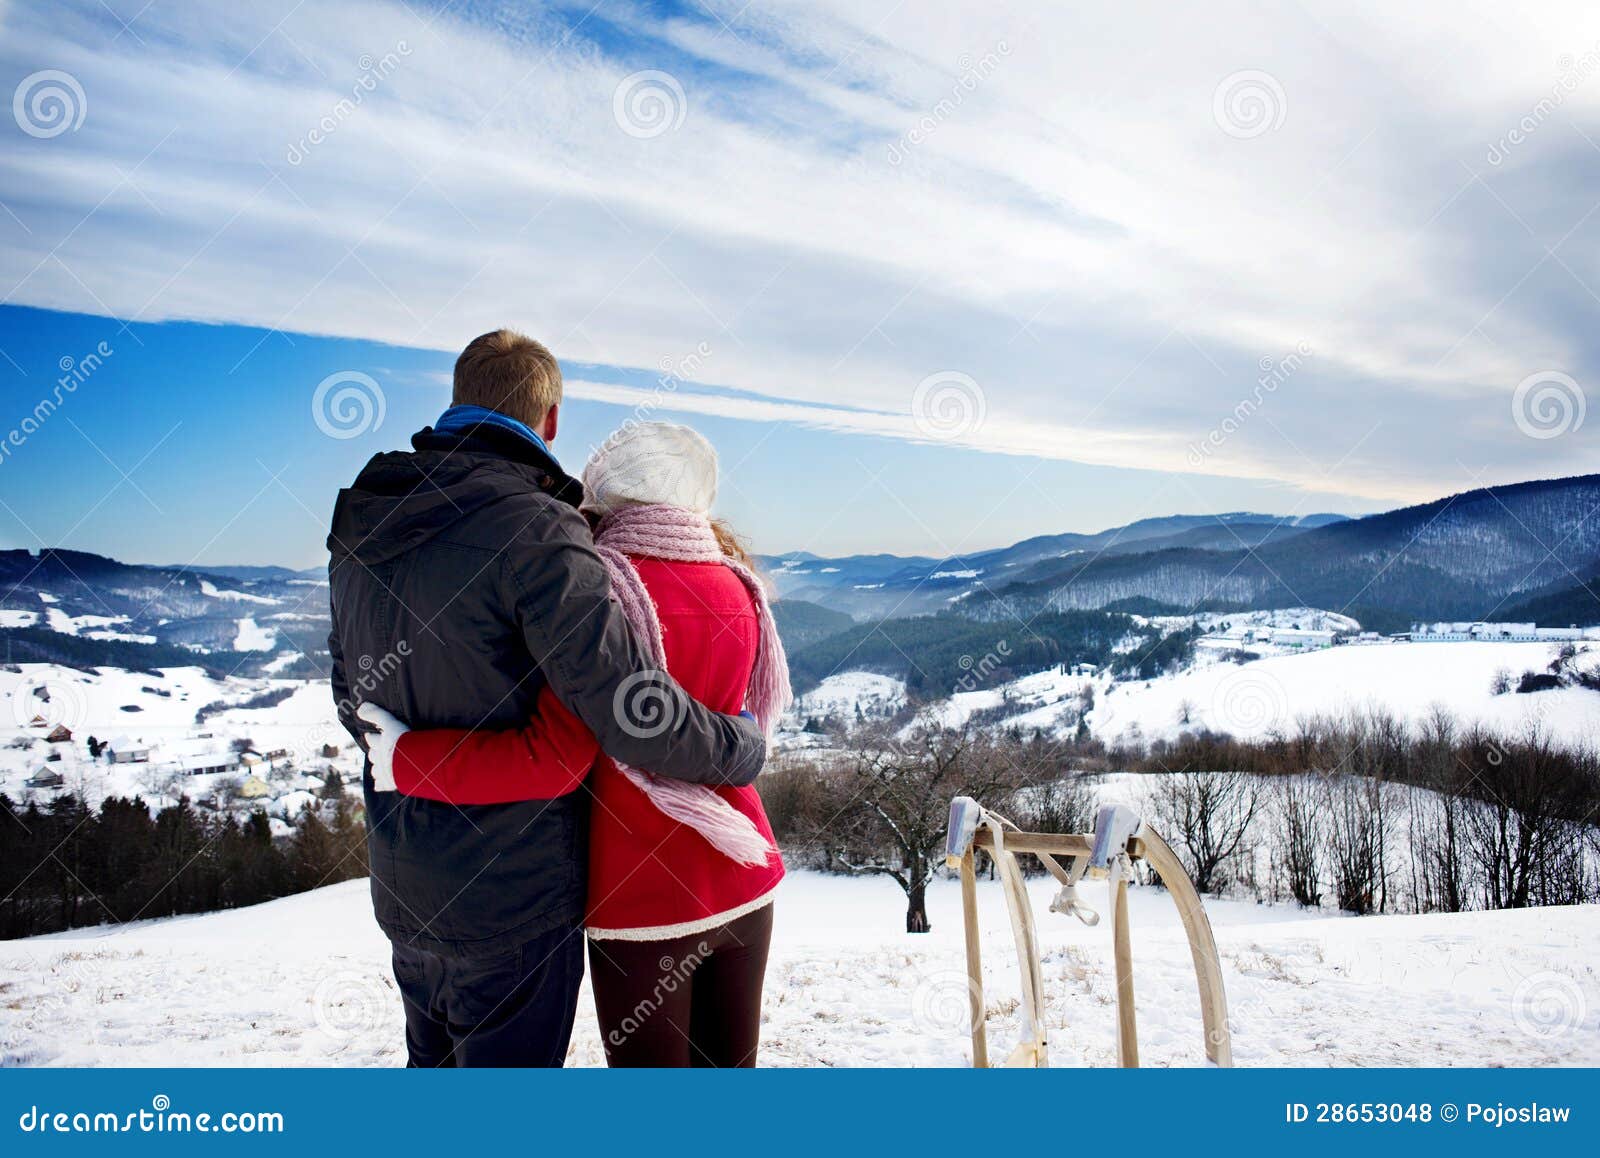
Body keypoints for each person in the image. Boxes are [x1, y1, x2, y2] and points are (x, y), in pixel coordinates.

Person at [327, 332, 767, 1068]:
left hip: (407, 886)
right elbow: (630, 715)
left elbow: (355, 702)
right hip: (512, 900)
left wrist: (408, 761)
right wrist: (742, 746)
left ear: (455, 399)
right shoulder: (536, 528)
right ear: (551, 420)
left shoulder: (366, 516)